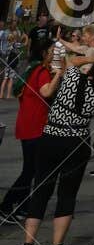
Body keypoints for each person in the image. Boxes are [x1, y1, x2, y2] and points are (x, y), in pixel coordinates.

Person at [19, 50, 94, 245]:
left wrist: (92, 58)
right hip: (77, 143)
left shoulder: (73, 77)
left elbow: (70, 61)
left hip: (51, 137)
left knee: (41, 189)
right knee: (67, 194)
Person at [1, 35, 59, 224]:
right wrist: (59, 74)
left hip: (28, 123)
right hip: (35, 125)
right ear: (44, 53)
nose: (53, 54)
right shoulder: (41, 71)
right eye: (51, 51)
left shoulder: (32, 68)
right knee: (29, 170)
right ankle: (6, 206)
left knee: (32, 169)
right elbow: (46, 92)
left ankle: (22, 206)